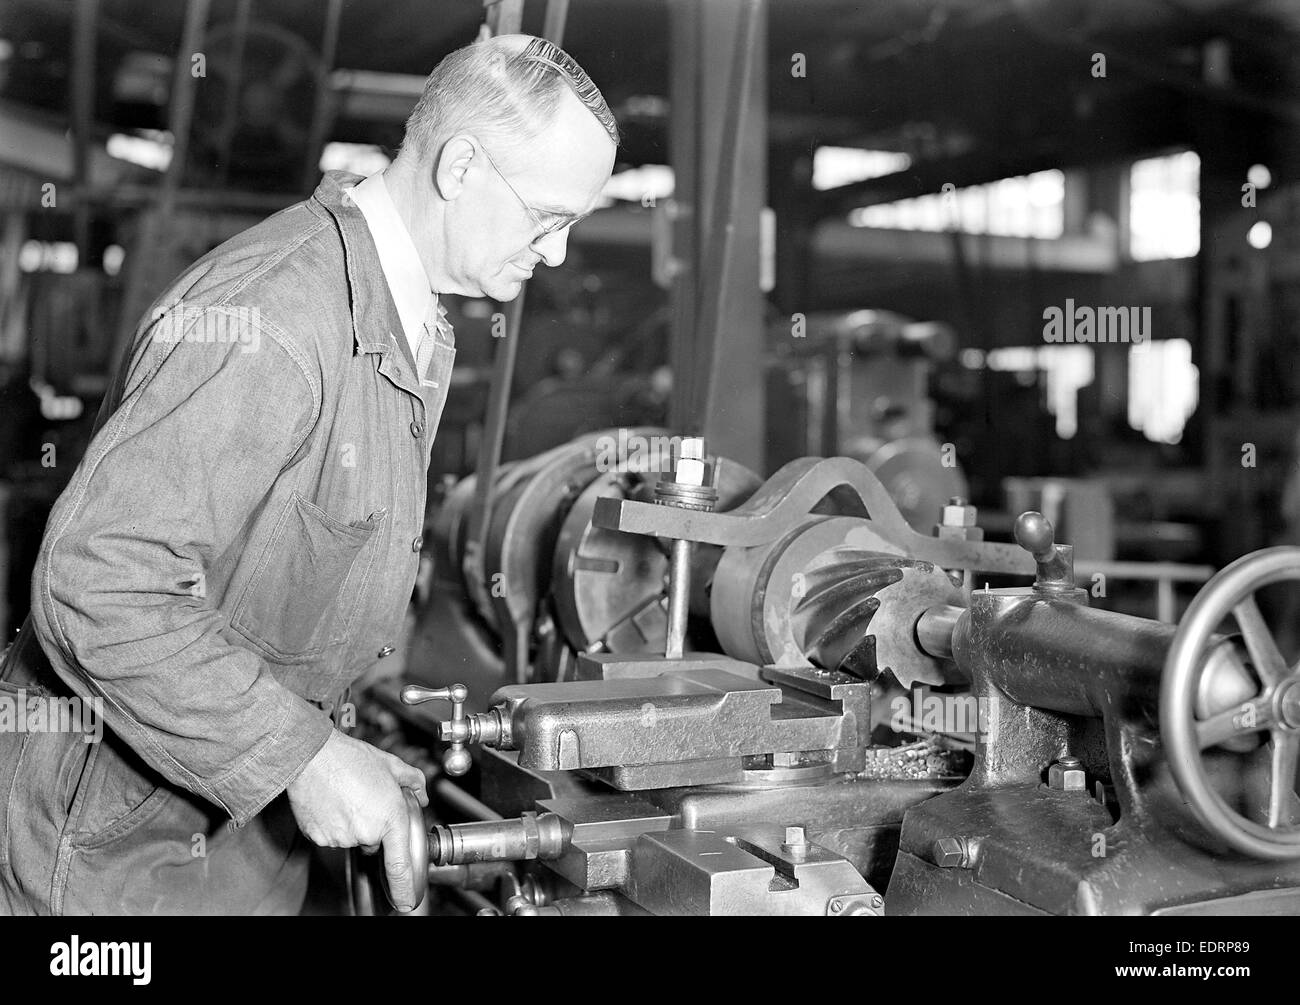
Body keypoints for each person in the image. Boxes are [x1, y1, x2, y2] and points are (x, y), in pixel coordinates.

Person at [0, 33, 618, 915]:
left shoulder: (412, 330)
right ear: (462, 166)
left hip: (236, 842)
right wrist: (304, 756)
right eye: (548, 217)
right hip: (108, 856)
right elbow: (97, 580)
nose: (556, 253)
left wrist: (338, 747)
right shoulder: (274, 315)